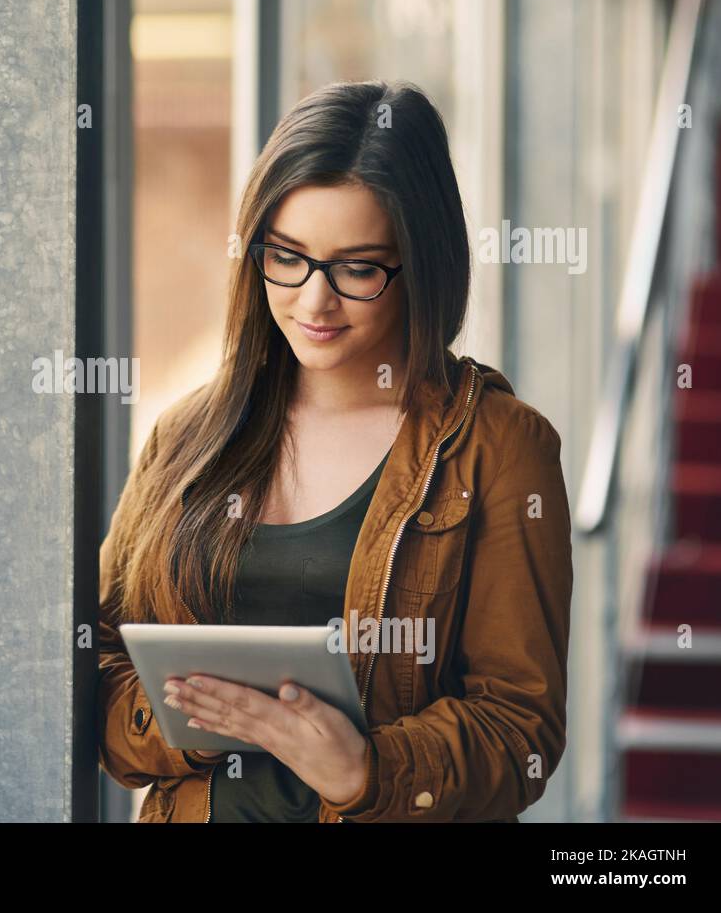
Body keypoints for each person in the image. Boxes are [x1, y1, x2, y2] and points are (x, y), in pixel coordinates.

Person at [97, 80, 574, 823]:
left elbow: (522, 731)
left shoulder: (501, 449)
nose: (313, 302)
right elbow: (96, 664)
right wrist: (199, 714)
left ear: (422, 264)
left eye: (357, 269)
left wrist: (365, 770)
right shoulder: (186, 437)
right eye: (287, 257)